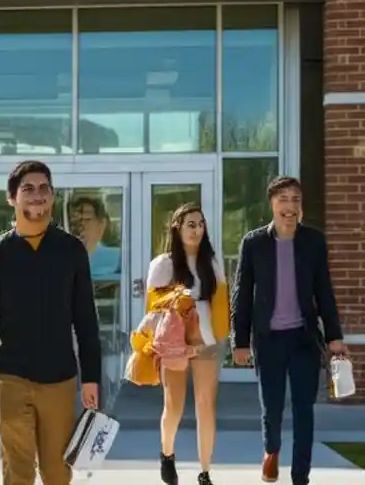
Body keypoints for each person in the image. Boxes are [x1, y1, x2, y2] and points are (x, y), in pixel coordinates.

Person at [0, 159, 102, 485]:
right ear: (12, 198)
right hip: (12, 379)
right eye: (28, 189)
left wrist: (91, 377)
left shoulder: (71, 251)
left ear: (52, 196)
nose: (37, 195)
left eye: (43, 188)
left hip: (60, 379)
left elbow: (86, 319)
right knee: (17, 473)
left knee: (57, 473)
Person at [231, 176, 347, 485]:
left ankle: (300, 476)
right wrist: (240, 341)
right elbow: (242, 295)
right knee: (271, 406)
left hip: (304, 339)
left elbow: (324, 291)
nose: (290, 206)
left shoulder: (313, 241)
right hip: (268, 340)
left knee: (304, 409)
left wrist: (335, 336)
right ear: (271, 204)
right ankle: (271, 449)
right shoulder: (253, 243)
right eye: (283, 199)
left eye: (296, 199)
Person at [146, 203, 227, 485]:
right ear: (177, 228)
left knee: (206, 406)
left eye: (201, 224)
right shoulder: (163, 264)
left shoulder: (212, 264)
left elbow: (220, 307)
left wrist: (217, 340)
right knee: (175, 406)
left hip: (206, 342)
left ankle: (205, 472)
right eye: (191, 224)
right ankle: (167, 455)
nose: (197, 230)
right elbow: (153, 311)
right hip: (174, 344)